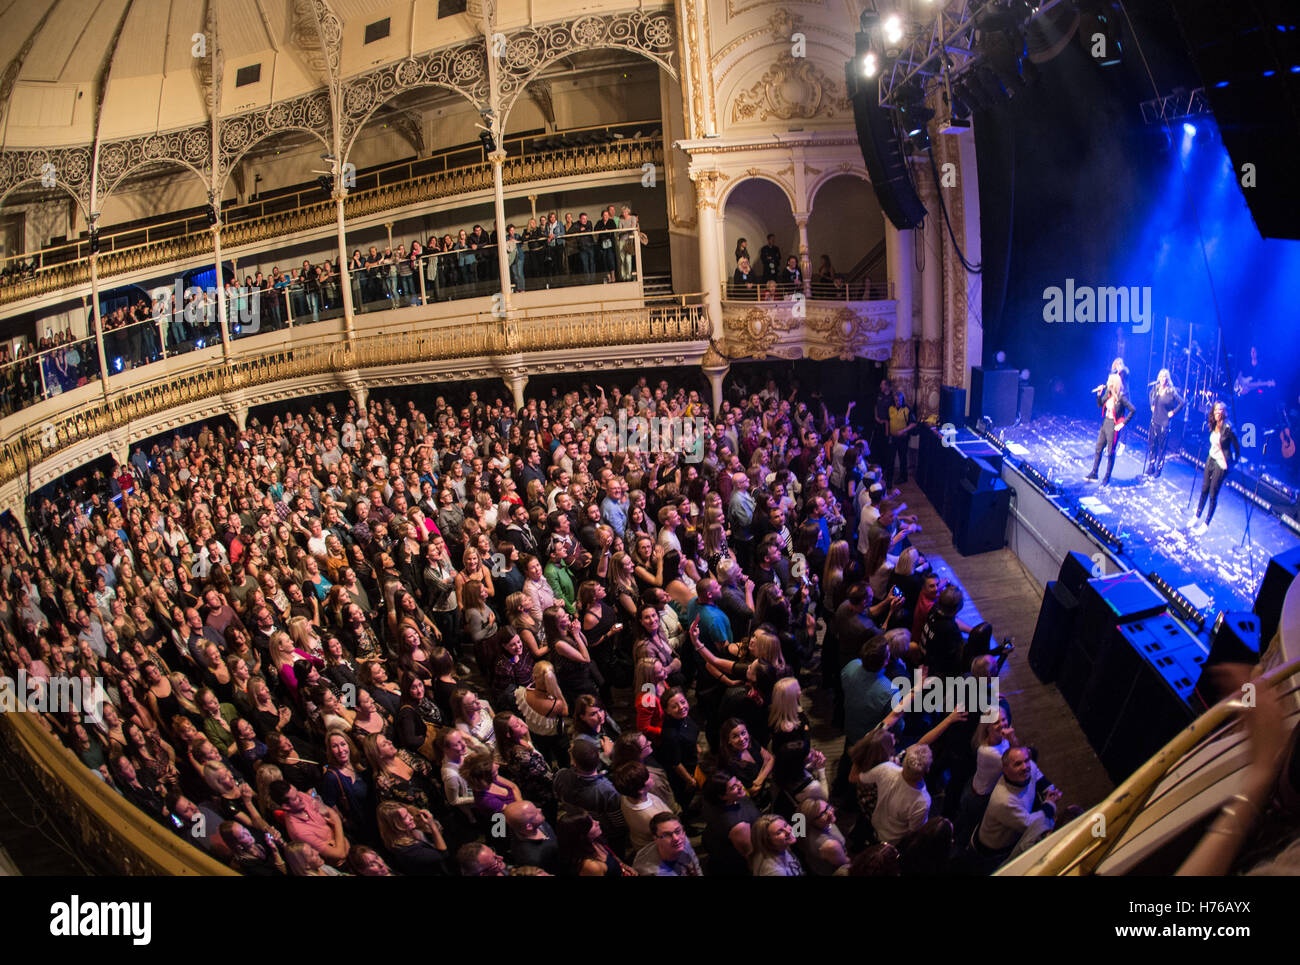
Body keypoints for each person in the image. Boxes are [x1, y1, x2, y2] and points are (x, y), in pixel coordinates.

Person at [857, 743, 933, 846]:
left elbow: (862, 778)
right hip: (893, 842)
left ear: (905, 762)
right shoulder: (922, 802)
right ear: (927, 770)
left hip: (874, 826)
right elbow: (914, 833)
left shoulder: (886, 768)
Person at [1190, 400, 1240, 536]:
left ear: (1224, 413)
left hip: (1221, 462)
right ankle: (1197, 515)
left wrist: (1234, 462)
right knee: (1204, 488)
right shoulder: (1213, 423)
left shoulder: (1228, 428)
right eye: (1216, 410)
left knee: (1213, 493)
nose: (1217, 413)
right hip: (1211, 458)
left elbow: (1237, 445)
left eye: (1220, 411)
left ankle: (1206, 524)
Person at [1086, 373, 1134, 485]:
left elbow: (1133, 410)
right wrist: (1099, 394)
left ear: (1113, 383)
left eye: (1109, 381)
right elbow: (1100, 404)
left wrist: (1122, 424)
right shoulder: (1108, 393)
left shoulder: (1121, 397)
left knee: (1110, 452)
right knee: (1098, 448)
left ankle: (1107, 477)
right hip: (1105, 422)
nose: (1107, 383)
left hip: (1113, 425)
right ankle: (1094, 473)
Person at [1144, 368, 1184, 478]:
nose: (1163, 379)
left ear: (1168, 379)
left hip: (1164, 423)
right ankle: (1151, 466)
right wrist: (1152, 404)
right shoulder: (1156, 389)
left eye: (1165, 377)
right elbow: (1151, 394)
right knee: (1152, 444)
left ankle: (1159, 469)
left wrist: (1174, 412)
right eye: (1161, 377)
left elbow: (1182, 402)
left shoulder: (1171, 391)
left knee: (1161, 447)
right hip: (1155, 420)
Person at [634, 811, 702, 875]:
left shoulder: (683, 840)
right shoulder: (650, 871)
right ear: (656, 839)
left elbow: (695, 866)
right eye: (666, 835)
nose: (676, 838)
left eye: (677, 831)